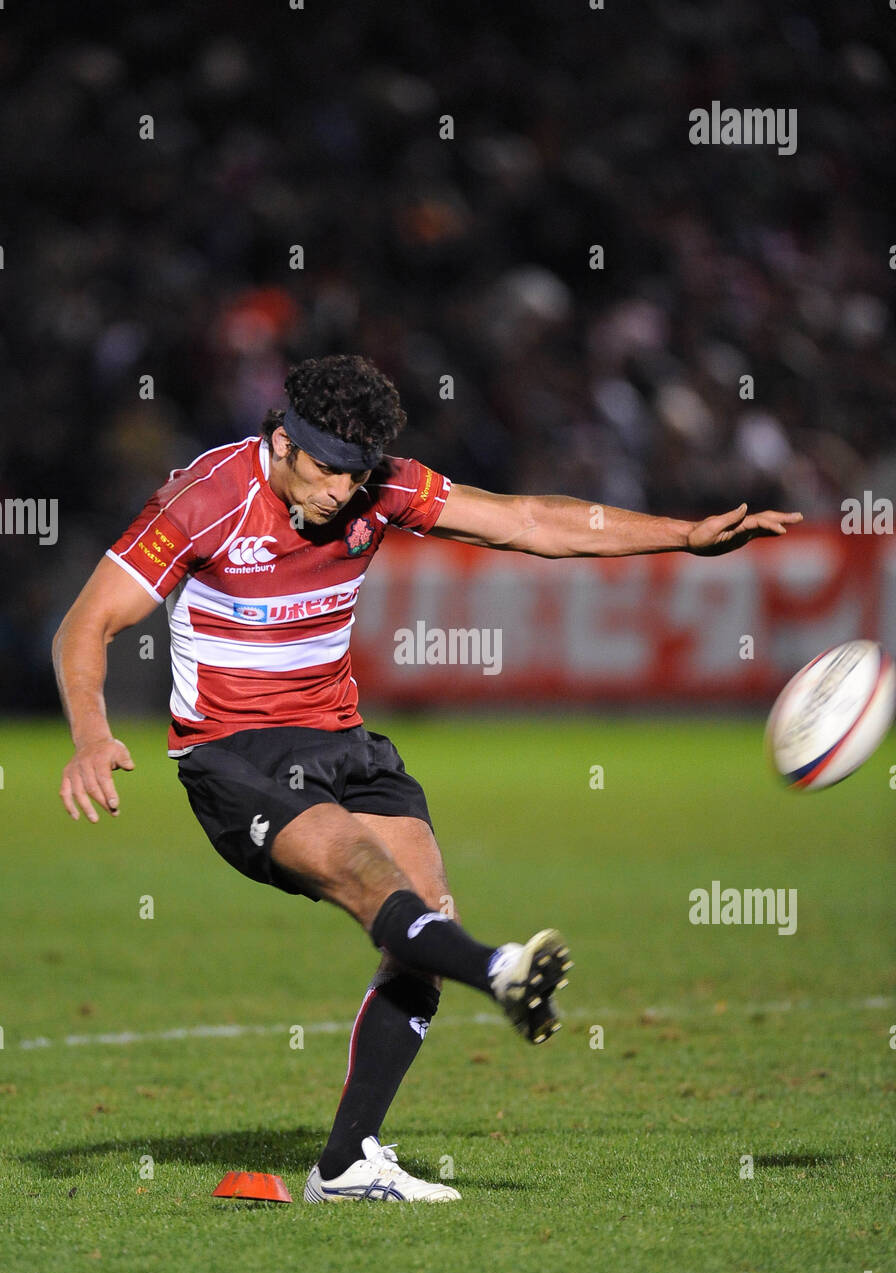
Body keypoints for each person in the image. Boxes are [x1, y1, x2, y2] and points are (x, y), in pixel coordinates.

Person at [52, 354, 802, 1202]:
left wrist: (686, 536)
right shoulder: (203, 500)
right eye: (327, 469)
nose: (342, 491)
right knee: (373, 883)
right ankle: (502, 971)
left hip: (343, 739)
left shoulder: (381, 487)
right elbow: (87, 624)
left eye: (356, 472)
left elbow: (528, 523)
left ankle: (342, 1166)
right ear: (281, 443)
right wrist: (90, 735)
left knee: (423, 924)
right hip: (235, 754)